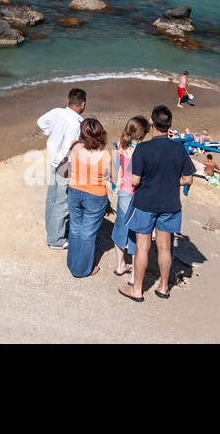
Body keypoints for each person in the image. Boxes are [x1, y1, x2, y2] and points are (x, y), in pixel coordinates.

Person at [119, 105, 193, 302]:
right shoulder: (178, 147)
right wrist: (169, 181)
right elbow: (188, 179)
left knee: (143, 247)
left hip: (146, 202)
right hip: (170, 204)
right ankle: (163, 287)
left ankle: (137, 290)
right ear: (169, 125)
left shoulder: (143, 148)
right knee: (165, 247)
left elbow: (135, 180)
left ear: (151, 122)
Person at [37, 87, 87, 249]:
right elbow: (69, 148)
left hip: (53, 160)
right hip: (65, 164)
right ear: (83, 105)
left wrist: (51, 134)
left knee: (51, 197)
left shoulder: (57, 112)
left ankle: (50, 228)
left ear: (68, 101)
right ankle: (55, 240)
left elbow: (40, 122)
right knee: (63, 202)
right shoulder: (76, 124)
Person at [66, 118, 111, 277]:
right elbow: (112, 177)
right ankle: (81, 270)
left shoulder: (75, 146)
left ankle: (72, 263)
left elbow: (69, 167)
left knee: (75, 227)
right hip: (95, 195)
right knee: (88, 233)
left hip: (74, 190)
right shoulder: (105, 155)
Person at [111, 117, 149, 275]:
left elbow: (114, 171)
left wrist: (115, 187)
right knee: (136, 233)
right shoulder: (143, 150)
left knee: (120, 227)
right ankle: (134, 274)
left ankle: (120, 265)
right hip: (138, 195)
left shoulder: (120, 146)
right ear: (142, 135)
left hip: (124, 193)